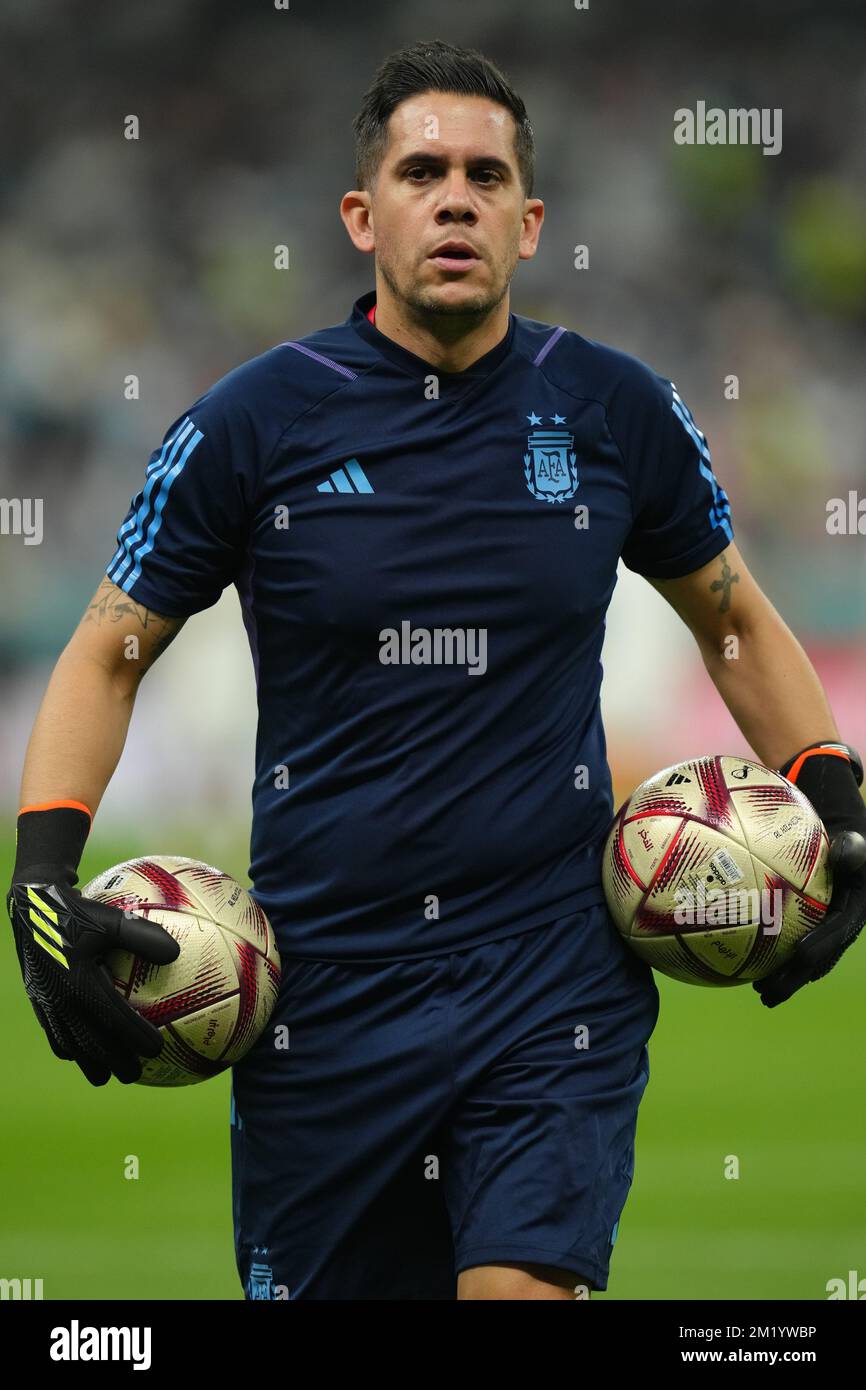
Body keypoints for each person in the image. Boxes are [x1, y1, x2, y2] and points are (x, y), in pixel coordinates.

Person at [8, 40, 866, 1302]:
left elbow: (728, 618)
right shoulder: (251, 424)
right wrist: (40, 871)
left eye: (483, 174)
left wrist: (835, 802)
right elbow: (106, 651)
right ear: (363, 214)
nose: (453, 197)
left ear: (529, 222)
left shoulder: (614, 409)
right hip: (323, 994)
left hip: (552, 982)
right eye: (420, 172)